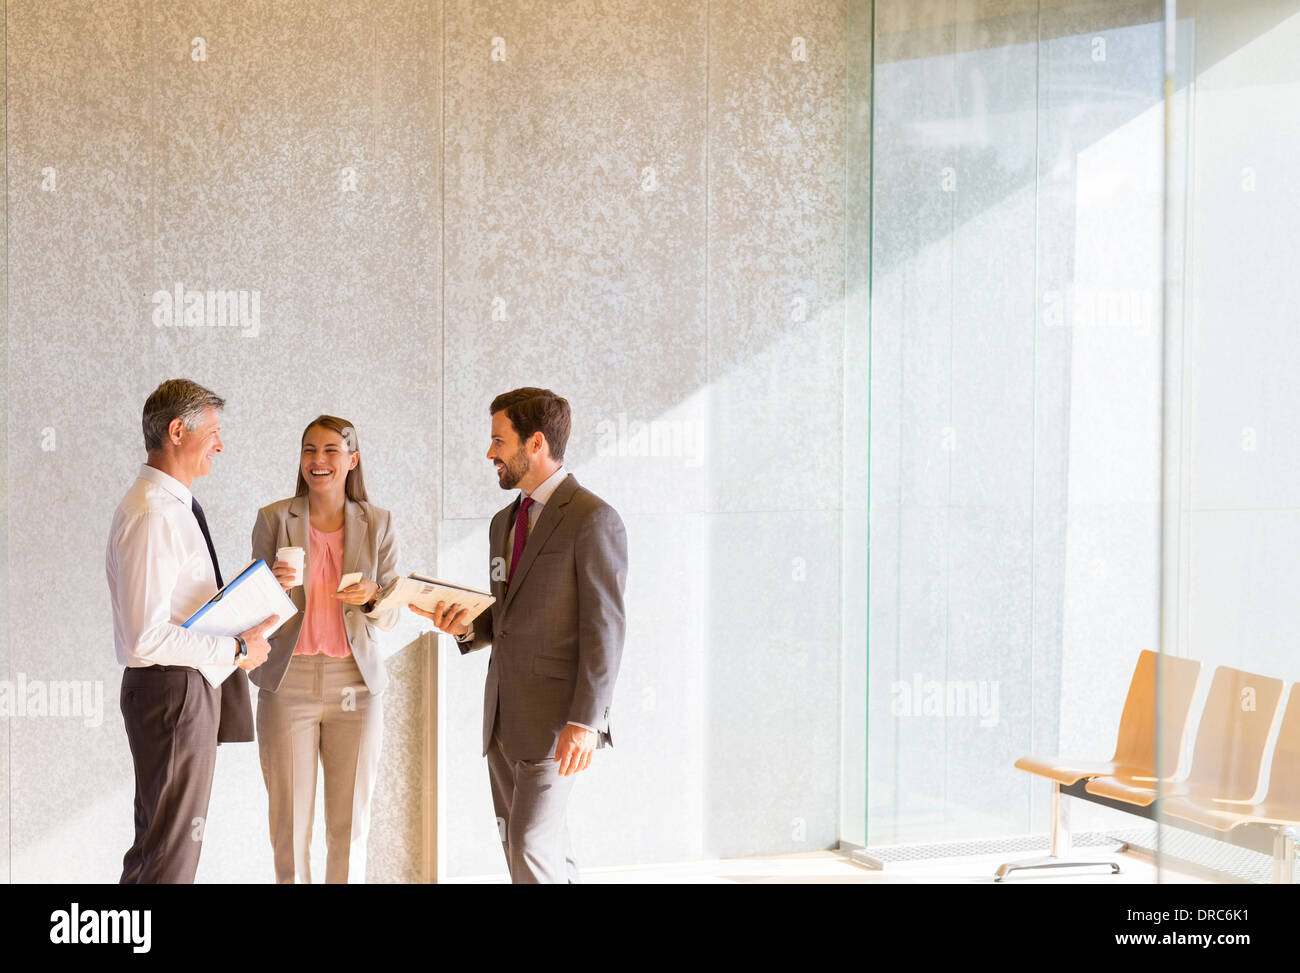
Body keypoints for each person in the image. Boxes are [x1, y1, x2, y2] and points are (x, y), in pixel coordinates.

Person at [416, 388, 627, 883]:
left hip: (558, 722)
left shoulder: (593, 519)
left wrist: (587, 720)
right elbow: (503, 616)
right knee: (537, 843)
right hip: (504, 718)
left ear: (534, 443)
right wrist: (465, 624)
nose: (490, 453)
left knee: (529, 846)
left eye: (498, 441)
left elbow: (606, 627)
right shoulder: (503, 523)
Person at [107, 378, 278, 884]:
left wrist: (258, 594)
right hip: (173, 691)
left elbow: (182, 610)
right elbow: (146, 637)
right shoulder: (154, 513)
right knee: (169, 855)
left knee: (164, 846)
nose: (221, 445)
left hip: (179, 690)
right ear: (178, 431)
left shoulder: (170, 507)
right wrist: (237, 647)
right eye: (215, 432)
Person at [250, 415, 401, 883]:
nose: (318, 461)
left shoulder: (379, 523)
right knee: (289, 826)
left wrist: (375, 596)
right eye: (309, 450)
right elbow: (250, 612)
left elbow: (394, 613)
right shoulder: (274, 519)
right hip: (287, 683)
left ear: (352, 459)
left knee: (349, 825)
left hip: (355, 685)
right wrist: (268, 589)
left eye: (331, 451)